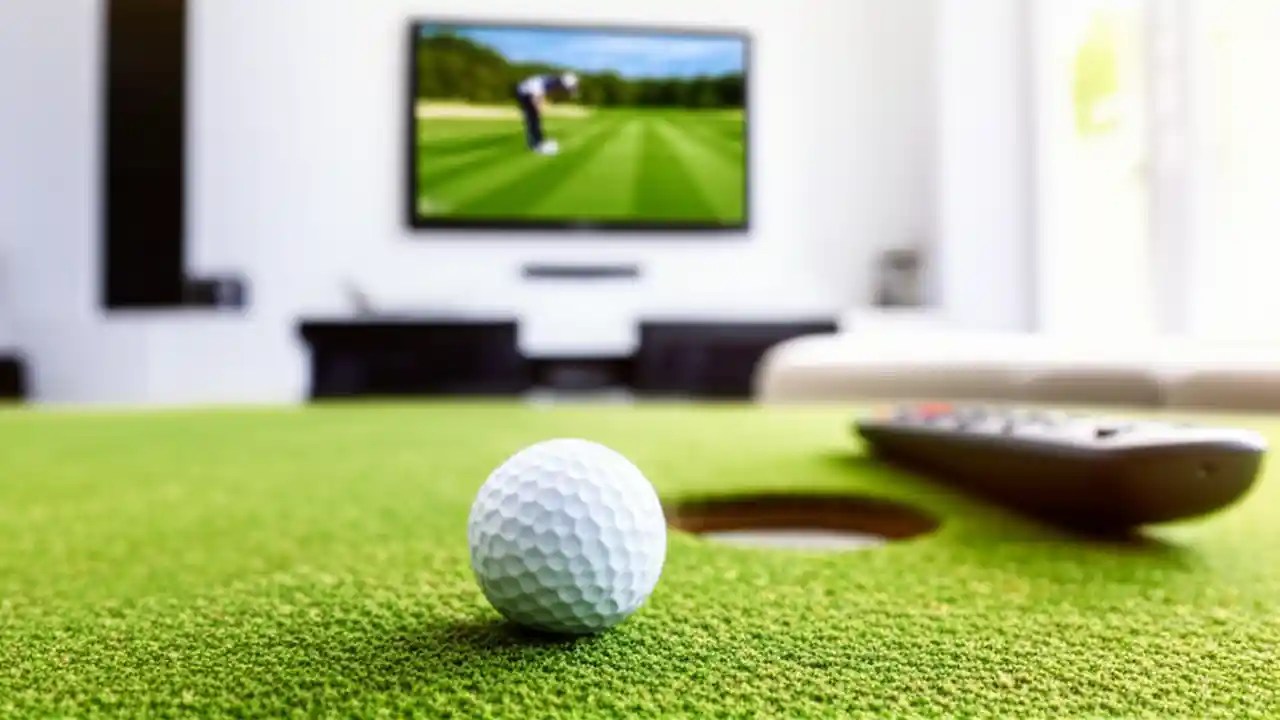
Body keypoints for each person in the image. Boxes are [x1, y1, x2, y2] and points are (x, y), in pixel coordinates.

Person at [513, 71, 578, 155]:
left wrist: (541, 105)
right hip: (524, 94)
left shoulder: (552, 82)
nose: (564, 89)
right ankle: (536, 144)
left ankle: (536, 142)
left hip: (529, 92)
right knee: (533, 119)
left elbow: (541, 96)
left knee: (535, 119)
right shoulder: (545, 83)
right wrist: (539, 108)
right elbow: (536, 98)